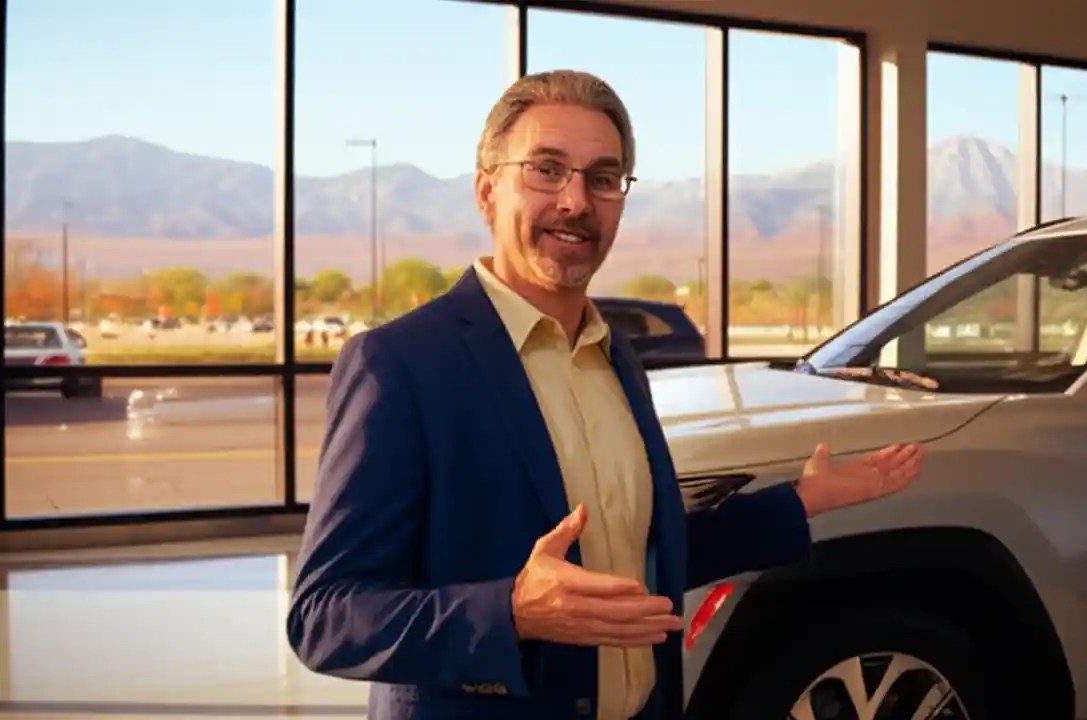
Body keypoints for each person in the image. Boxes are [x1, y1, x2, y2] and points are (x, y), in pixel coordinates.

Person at [286, 69, 924, 720]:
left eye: (602, 177)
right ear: (486, 191)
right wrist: (512, 612)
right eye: (546, 170)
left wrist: (802, 500)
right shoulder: (401, 364)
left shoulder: (614, 355)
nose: (575, 201)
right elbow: (324, 617)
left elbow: (641, 557)